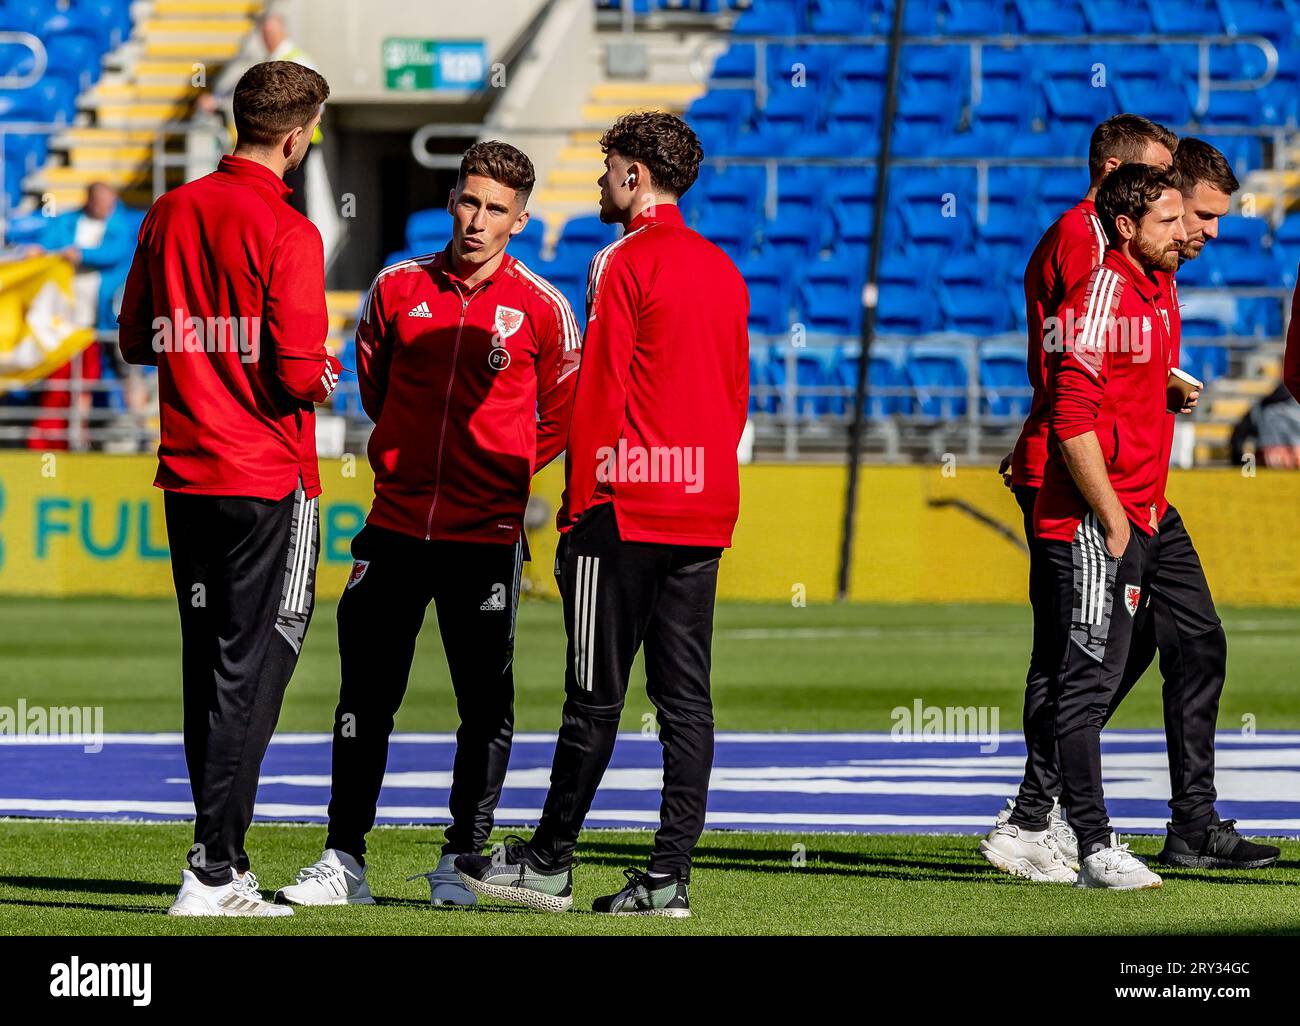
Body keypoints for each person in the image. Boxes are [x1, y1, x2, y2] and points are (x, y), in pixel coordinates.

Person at [454, 111, 750, 917]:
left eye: (607, 163)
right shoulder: (725, 269)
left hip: (623, 512)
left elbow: (599, 394)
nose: (598, 178)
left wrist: (576, 511)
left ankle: (549, 862)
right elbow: (733, 400)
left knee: (593, 697)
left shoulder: (619, 261)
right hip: (701, 506)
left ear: (634, 175)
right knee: (687, 701)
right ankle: (668, 879)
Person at [274, 141, 581, 908]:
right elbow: (376, 389)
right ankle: (344, 859)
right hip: (396, 527)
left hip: (484, 540)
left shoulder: (544, 308)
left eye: (497, 209)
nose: (478, 220)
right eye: (469, 202)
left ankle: (462, 862)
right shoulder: (395, 285)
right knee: (364, 698)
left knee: (484, 706)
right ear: (453, 200)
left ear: (521, 219)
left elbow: (561, 418)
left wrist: (499, 475)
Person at [117, 60, 339, 917]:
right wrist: (320, 370)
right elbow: (294, 370)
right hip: (266, 475)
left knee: (209, 664)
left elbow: (138, 339)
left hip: (188, 471)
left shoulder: (170, 211)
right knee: (260, 663)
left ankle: (225, 858)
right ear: (295, 136)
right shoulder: (287, 229)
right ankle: (211, 867)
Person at [983, 114, 1176, 877]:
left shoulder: (1127, 265)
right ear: (1118, 176)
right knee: (1074, 657)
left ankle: (1045, 810)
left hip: (1087, 467)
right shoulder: (1087, 245)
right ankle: (1049, 820)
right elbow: (1073, 375)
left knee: (1096, 649)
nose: (1177, 203)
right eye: (1159, 181)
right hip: (1078, 479)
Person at [25, 182, 136, 450]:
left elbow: (115, 253)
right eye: (99, 202)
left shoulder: (120, 226)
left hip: (109, 318)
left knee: (127, 370)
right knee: (77, 379)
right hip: (72, 321)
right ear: (88, 200)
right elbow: (49, 245)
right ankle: (74, 434)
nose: (104, 208)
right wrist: (42, 252)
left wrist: (81, 254)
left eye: (108, 203)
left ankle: (138, 428)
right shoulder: (68, 221)